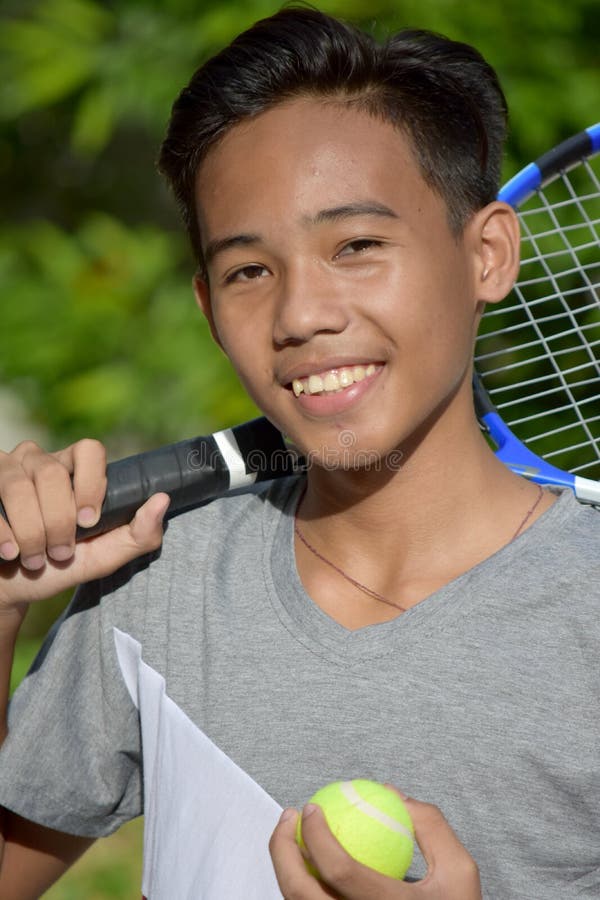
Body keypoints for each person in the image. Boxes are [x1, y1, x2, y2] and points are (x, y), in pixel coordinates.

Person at [0, 7, 598, 899]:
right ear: (208, 308)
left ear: (488, 256)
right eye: (250, 270)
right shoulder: (157, 583)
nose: (300, 316)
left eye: (357, 246)